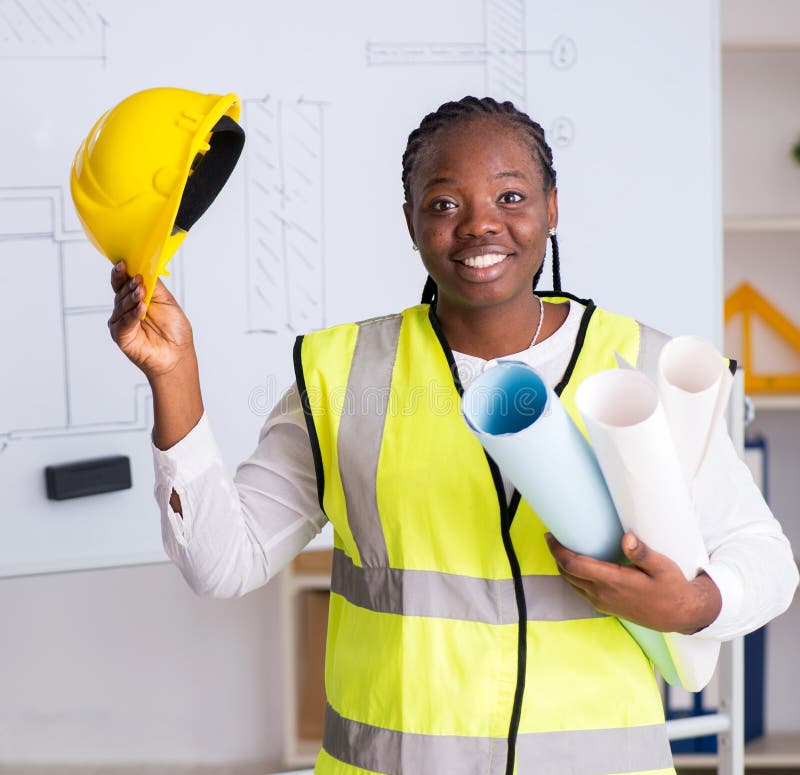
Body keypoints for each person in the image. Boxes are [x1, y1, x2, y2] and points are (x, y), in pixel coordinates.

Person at [108, 96, 798, 775]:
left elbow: (766, 559)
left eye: (510, 196)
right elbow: (222, 562)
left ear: (551, 209)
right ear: (409, 221)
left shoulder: (641, 369)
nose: (478, 226)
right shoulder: (343, 375)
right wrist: (175, 378)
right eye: (444, 203)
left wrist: (695, 602)